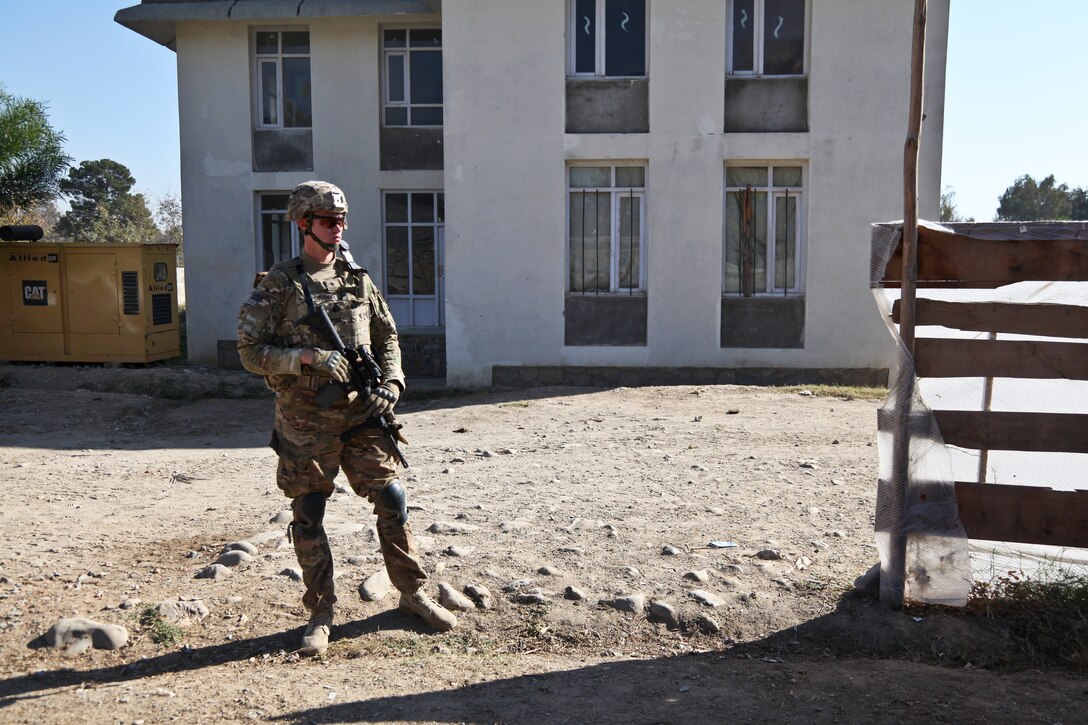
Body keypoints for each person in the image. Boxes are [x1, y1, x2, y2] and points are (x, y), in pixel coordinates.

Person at [237, 180, 456, 656]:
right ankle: (320, 611)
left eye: (342, 221)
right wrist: (305, 358)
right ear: (303, 224)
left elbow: (388, 337)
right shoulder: (279, 284)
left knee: (392, 497)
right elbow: (250, 352)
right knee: (310, 511)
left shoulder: (358, 278)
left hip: (363, 412)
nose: (338, 229)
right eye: (328, 221)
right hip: (305, 420)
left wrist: (392, 384)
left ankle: (411, 592)